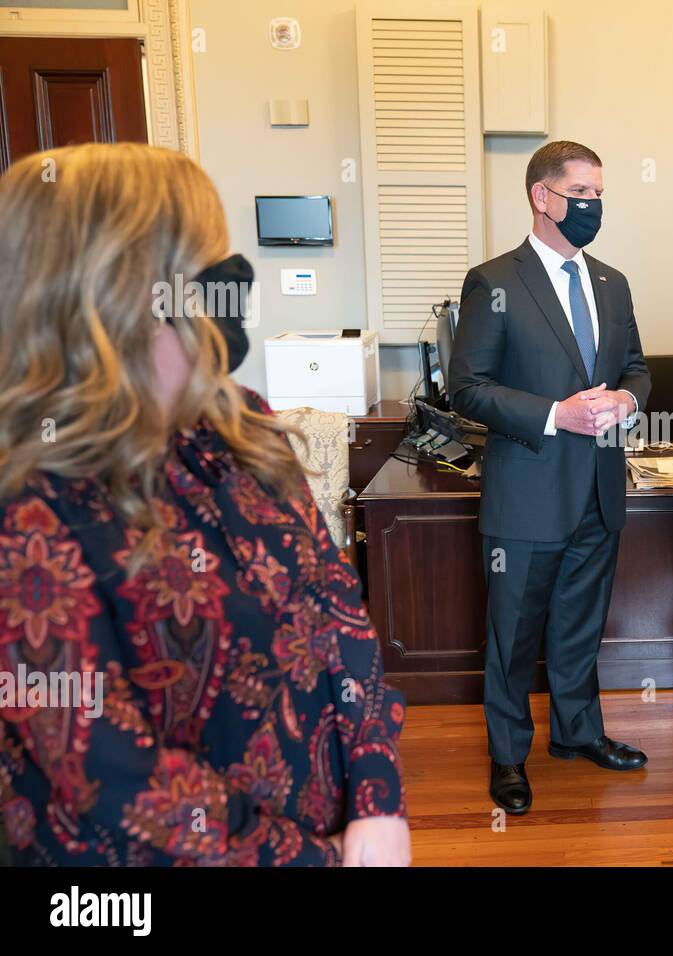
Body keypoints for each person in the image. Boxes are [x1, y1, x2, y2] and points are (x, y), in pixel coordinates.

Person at [0, 143, 409, 866]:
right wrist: (316, 859)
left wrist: (378, 800)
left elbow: (336, 604)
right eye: (208, 259)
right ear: (120, 288)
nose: (233, 280)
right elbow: (106, 771)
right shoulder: (29, 500)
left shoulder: (240, 424)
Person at [448, 141, 652, 815]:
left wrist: (626, 401)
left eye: (600, 194)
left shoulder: (611, 283)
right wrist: (553, 414)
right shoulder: (494, 281)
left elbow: (637, 370)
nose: (594, 206)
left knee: (578, 625)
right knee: (513, 634)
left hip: (598, 489)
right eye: (582, 194)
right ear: (543, 196)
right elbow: (467, 388)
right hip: (527, 495)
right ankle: (508, 757)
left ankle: (577, 734)